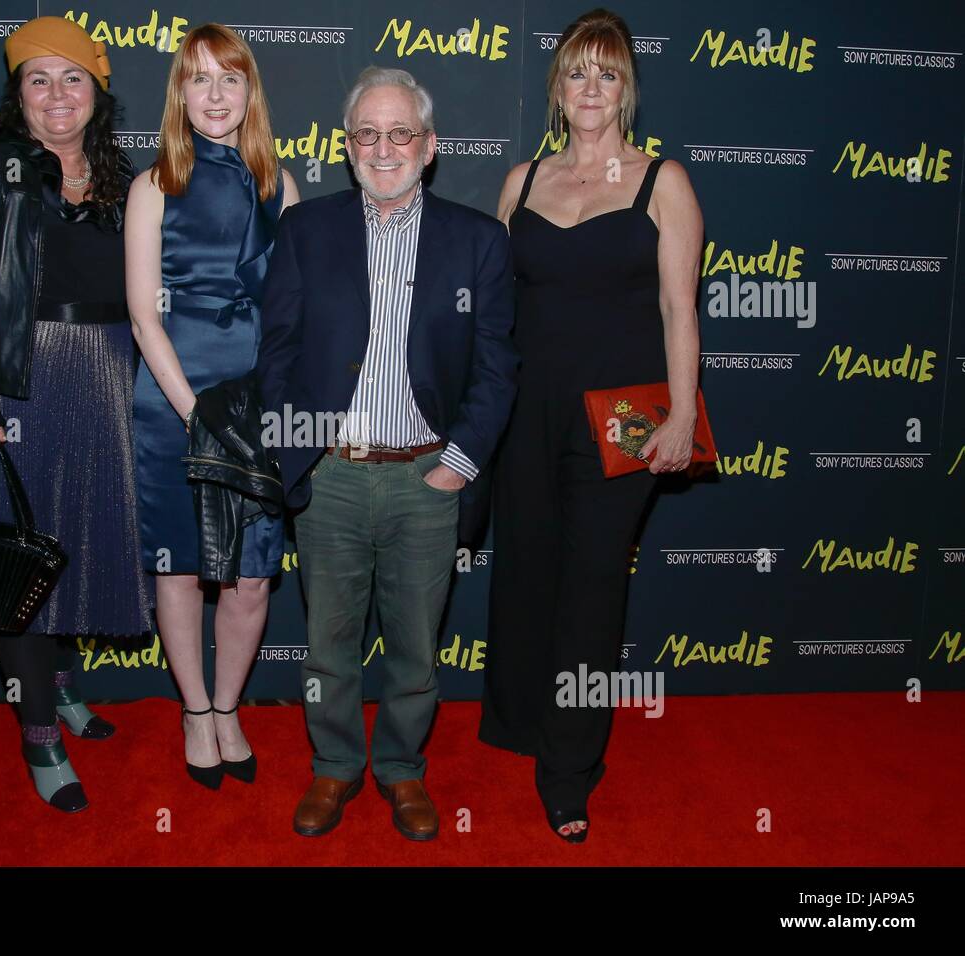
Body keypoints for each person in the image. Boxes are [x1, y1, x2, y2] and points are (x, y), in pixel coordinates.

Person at [257, 67, 518, 841]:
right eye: (367, 133)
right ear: (347, 146)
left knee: (415, 649)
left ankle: (402, 772)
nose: (383, 148)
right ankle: (334, 768)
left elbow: (498, 366)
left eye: (400, 132)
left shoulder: (479, 242)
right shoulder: (307, 231)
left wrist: (456, 466)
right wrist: (296, 452)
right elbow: (277, 352)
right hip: (331, 475)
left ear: (429, 147)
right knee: (327, 646)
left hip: (427, 478)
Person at [480, 8, 703, 843]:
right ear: (557, 85)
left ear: (626, 89)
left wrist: (682, 414)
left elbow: (681, 310)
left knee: (594, 587)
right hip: (527, 409)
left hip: (626, 419)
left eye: (607, 73)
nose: (590, 88)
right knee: (528, 570)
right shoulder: (522, 181)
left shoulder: (661, 180)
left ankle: (570, 770)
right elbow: (492, 312)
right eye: (578, 71)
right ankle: (523, 723)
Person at [0, 16, 151, 813]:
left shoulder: (121, 176)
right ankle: (37, 733)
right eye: (38, 79)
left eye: (73, 79)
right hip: (23, 383)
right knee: (19, 563)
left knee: (72, 544)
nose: (57, 95)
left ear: (98, 91)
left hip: (105, 377)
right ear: (16, 93)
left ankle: (56, 689)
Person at [125, 23, 299, 789]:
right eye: (199, 79)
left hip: (255, 407)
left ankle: (228, 706)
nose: (216, 94)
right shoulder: (151, 185)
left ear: (249, 90)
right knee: (181, 569)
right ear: (180, 94)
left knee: (252, 575)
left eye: (230, 78)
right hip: (173, 403)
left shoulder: (281, 186)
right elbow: (141, 314)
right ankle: (194, 710)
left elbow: (295, 314)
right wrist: (195, 410)